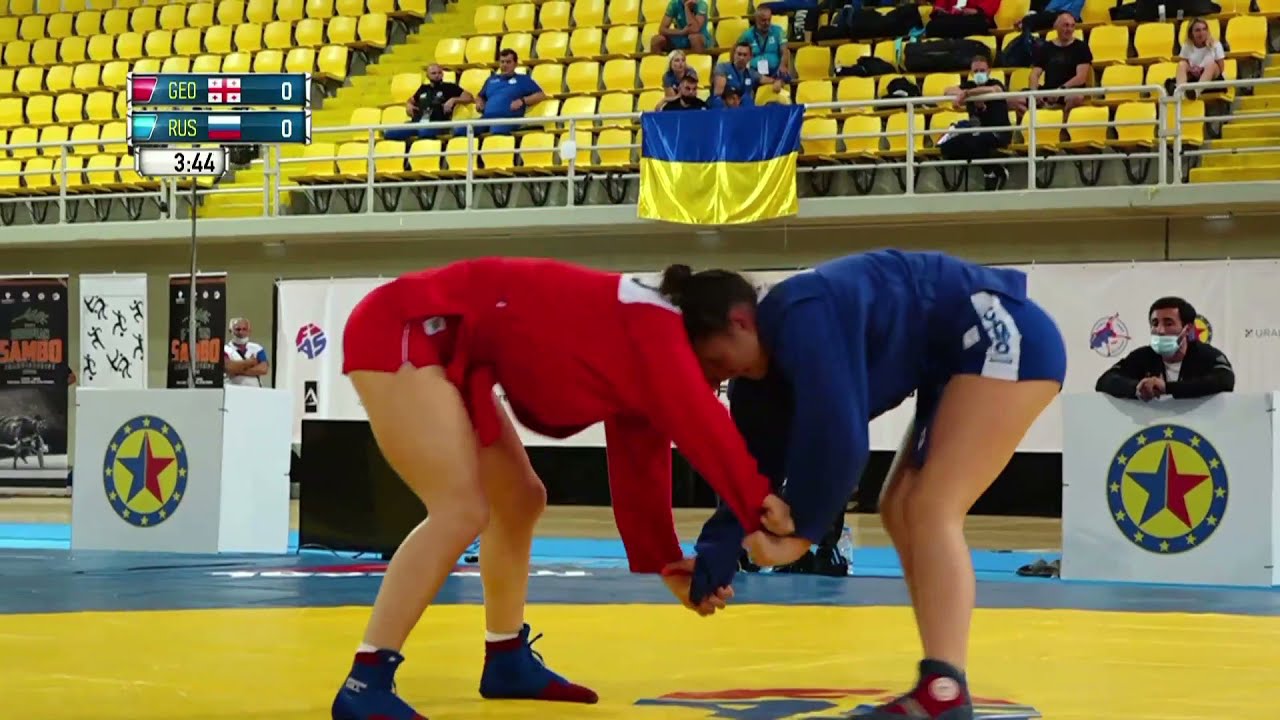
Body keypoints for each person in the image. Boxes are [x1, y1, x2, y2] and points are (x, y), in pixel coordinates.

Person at [330, 257, 793, 720]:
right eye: (739, 370)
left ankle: (506, 657)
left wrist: (667, 563)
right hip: (403, 328)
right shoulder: (655, 323)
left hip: (452, 350)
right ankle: (366, 678)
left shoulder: (655, 346)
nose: (727, 381)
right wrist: (759, 508)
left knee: (520, 499)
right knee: (460, 511)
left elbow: (642, 462)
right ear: (739, 320)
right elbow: (702, 424)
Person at [659, 250, 1067, 720]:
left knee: (931, 508)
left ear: (740, 322)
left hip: (1000, 329)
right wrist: (714, 560)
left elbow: (838, 433)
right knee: (900, 508)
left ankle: (945, 689)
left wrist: (803, 534)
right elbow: (749, 471)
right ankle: (941, 684)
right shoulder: (756, 383)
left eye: (713, 361)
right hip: (955, 356)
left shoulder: (800, 311)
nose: (716, 379)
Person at [1095, 296, 1234, 401]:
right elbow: (1105, 381)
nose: (1160, 330)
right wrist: (1137, 388)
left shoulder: (1206, 355)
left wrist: (1167, 388)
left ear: (1188, 329)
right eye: (1155, 324)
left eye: (1169, 323)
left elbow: (1225, 380)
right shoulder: (1142, 356)